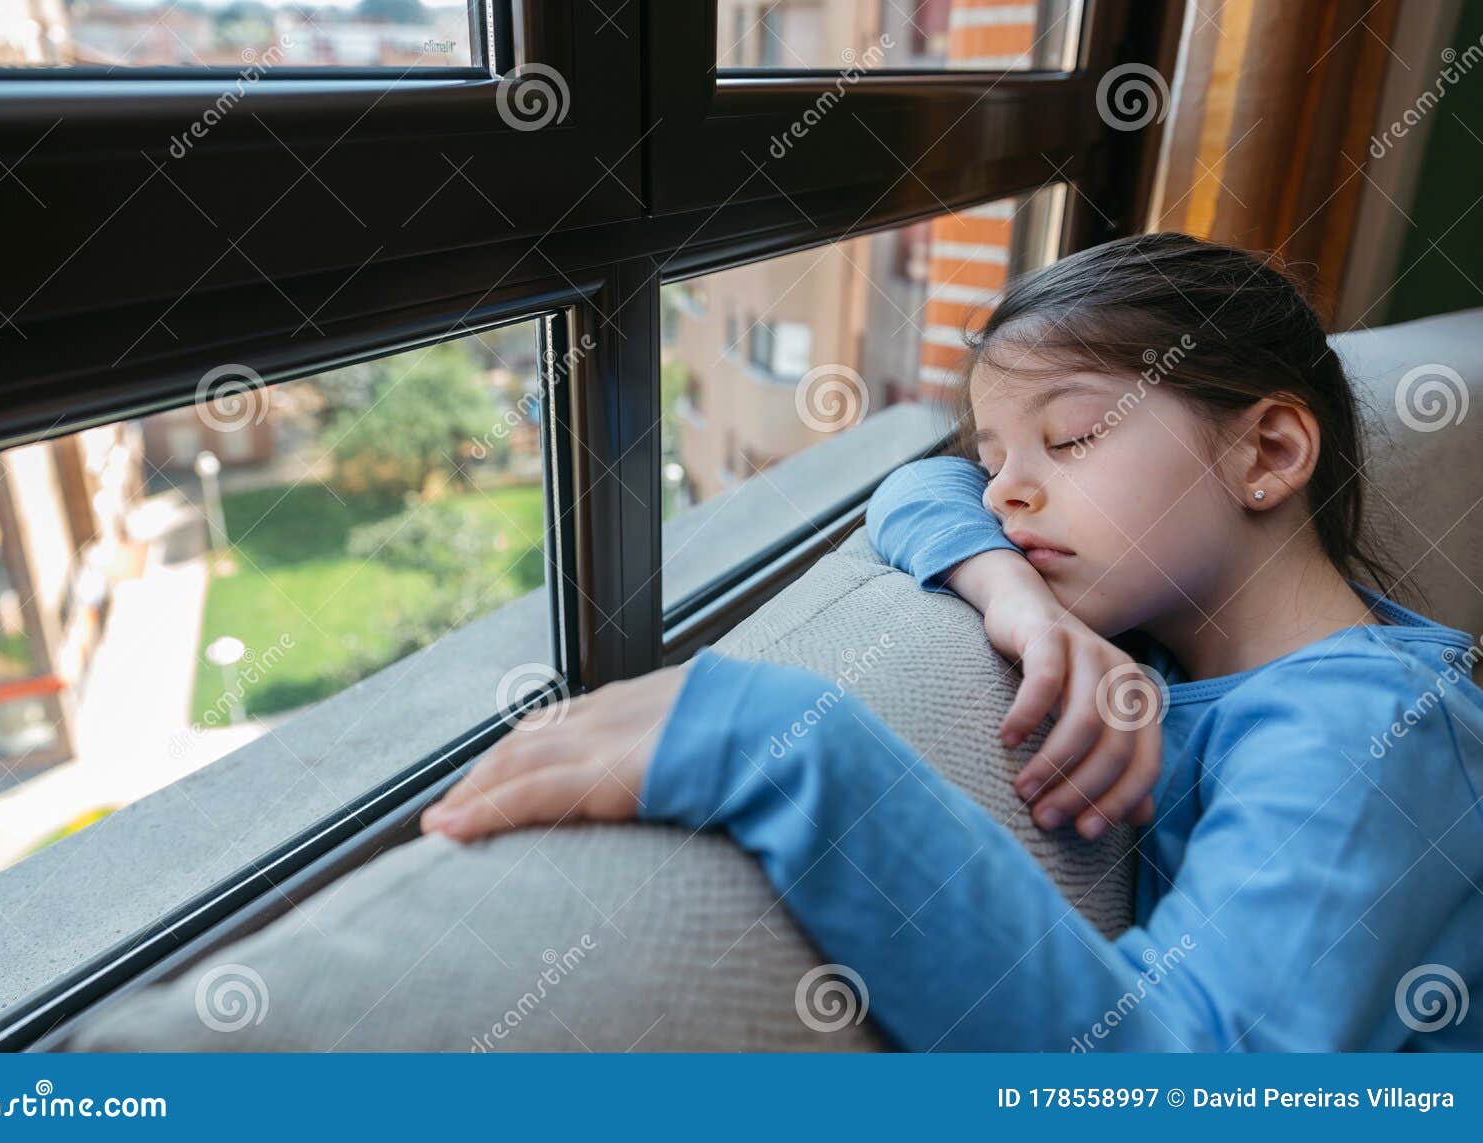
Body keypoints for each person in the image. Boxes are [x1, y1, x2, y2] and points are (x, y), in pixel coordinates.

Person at [419, 233, 1483, 1051]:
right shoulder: (1175, 633)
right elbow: (919, 485)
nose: (1008, 489)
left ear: (1269, 450)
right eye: (997, 453)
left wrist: (788, 751)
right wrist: (1006, 587)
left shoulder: (1365, 739)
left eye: (1070, 438)